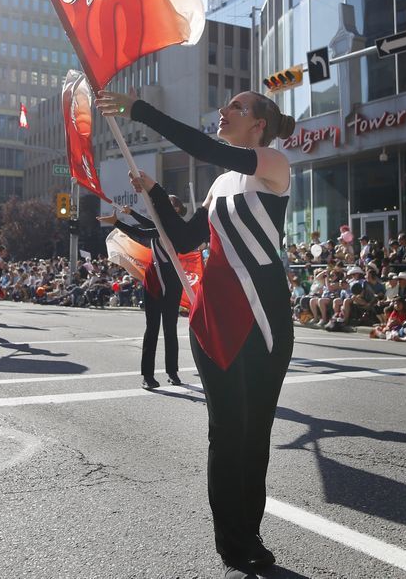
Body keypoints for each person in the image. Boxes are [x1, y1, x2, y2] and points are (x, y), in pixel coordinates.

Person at [97, 87, 295, 577]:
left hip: (267, 318)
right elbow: (186, 238)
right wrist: (155, 195)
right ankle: (233, 541)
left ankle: (249, 529)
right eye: (225, 104)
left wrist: (139, 110)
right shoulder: (220, 185)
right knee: (228, 432)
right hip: (216, 316)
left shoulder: (273, 164)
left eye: (238, 108)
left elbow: (209, 150)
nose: (225, 111)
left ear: (259, 126)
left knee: (257, 435)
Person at [98, 201, 187, 389]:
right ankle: (148, 375)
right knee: (152, 329)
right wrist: (131, 213)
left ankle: (172, 372)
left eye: (171, 204)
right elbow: (149, 225)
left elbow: (144, 233)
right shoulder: (160, 224)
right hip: (154, 283)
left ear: (177, 210)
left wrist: (118, 222)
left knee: (170, 329)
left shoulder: (176, 227)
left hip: (172, 282)